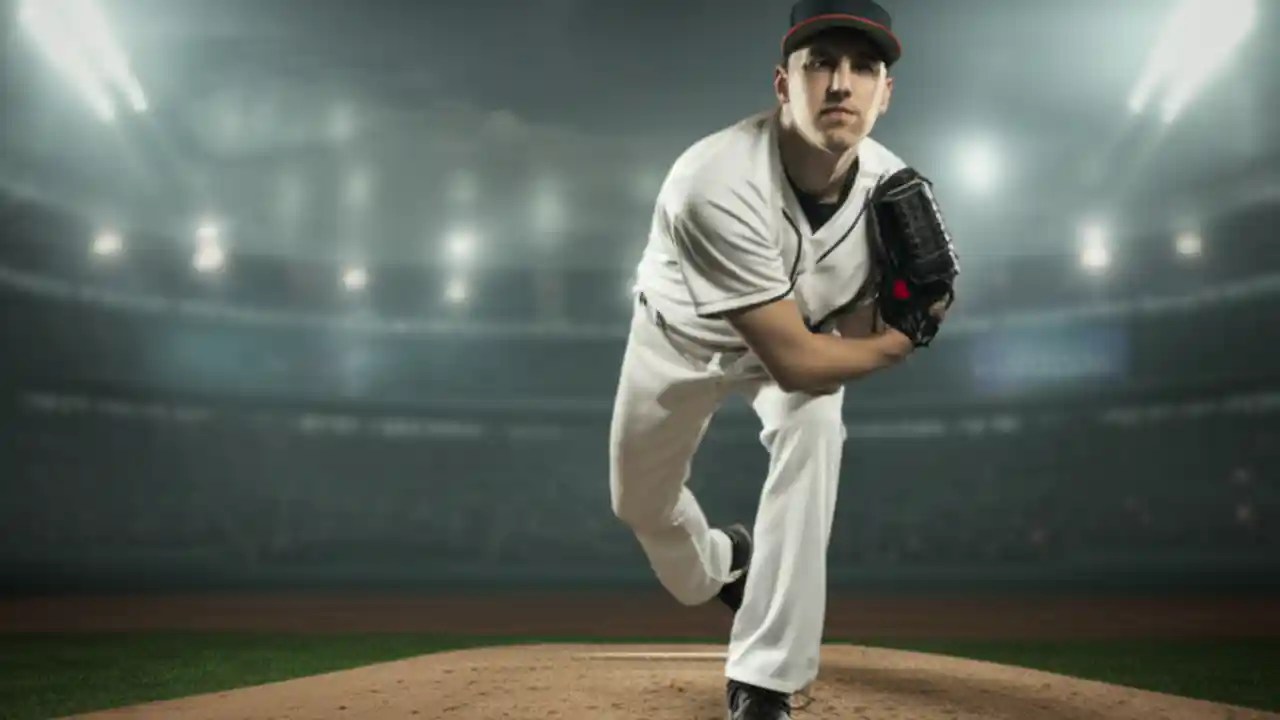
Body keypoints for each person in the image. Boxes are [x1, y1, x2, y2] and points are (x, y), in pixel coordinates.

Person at [609, 0, 946, 717]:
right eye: (819, 61)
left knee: (815, 431)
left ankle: (765, 678)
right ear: (781, 82)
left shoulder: (894, 189)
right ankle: (721, 563)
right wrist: (900, 338)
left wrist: (911, 307)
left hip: (806, 335)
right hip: (680, 339)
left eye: (864, 68)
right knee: (637, 501)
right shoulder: (713, 182)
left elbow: (857, 323)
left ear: (886, 93)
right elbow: (797, 361)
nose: (840, 84)